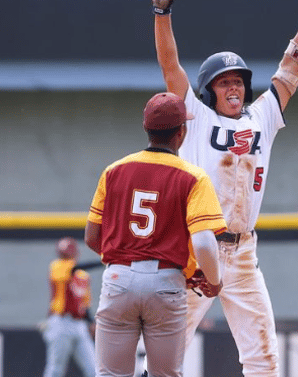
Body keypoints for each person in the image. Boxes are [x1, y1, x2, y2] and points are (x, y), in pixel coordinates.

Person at [148, 0, 298, 377]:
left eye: (238, 81)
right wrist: (162, 16)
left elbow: (292, 69)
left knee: (264, 360)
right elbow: (170, 68)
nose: (233, 88)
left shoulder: (262, 115)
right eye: (223, 82)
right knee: (164, 355)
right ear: (207, 89)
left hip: (244, 251)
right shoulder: (193, 114)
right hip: (198, 247)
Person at [84, 92, 226, 377]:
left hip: (118, 279)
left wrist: (124, 262)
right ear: (181, 132)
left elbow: (92, 237)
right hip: (166, 282)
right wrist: (214, 280)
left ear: (146, 128)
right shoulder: (193, 177)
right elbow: (203, 243)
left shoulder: (114, 171)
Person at [42, 237, 96, 377]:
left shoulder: (83, 276)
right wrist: (102, 262)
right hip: (60, 322)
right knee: (55, 369)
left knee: (94, 368)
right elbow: (70, 270)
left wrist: (90, 322)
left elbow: (83, 304)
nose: (66, 256)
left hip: (79, 325)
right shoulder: (57, 266)